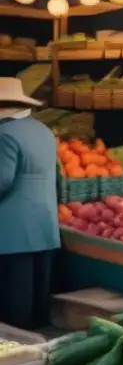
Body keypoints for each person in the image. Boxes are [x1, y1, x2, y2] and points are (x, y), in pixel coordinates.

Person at [0, 77, 59, 330]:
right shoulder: (43, 131)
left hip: (12, 230)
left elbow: (2, 180)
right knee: (38, 305)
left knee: (15, 310)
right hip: (45, 225)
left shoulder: (4, 135)